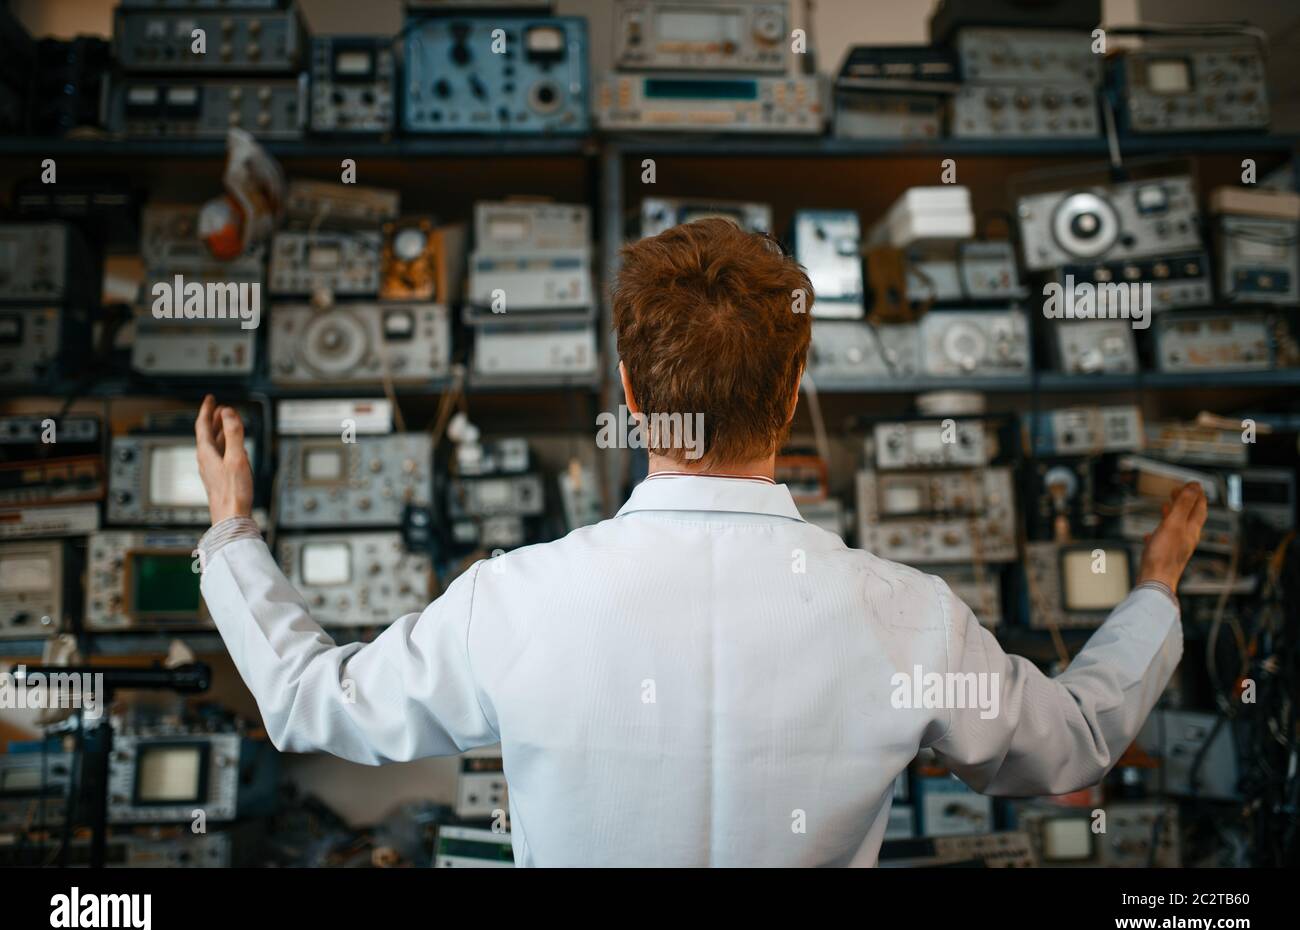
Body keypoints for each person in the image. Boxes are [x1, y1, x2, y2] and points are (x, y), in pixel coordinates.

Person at [194, 219, 1205, 866]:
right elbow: (1074, 742)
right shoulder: (909, 618)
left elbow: (305, 700)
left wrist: (233, 531)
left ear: (630, 396)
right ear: (793, 386)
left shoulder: (516, 601)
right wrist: (1154, 590)